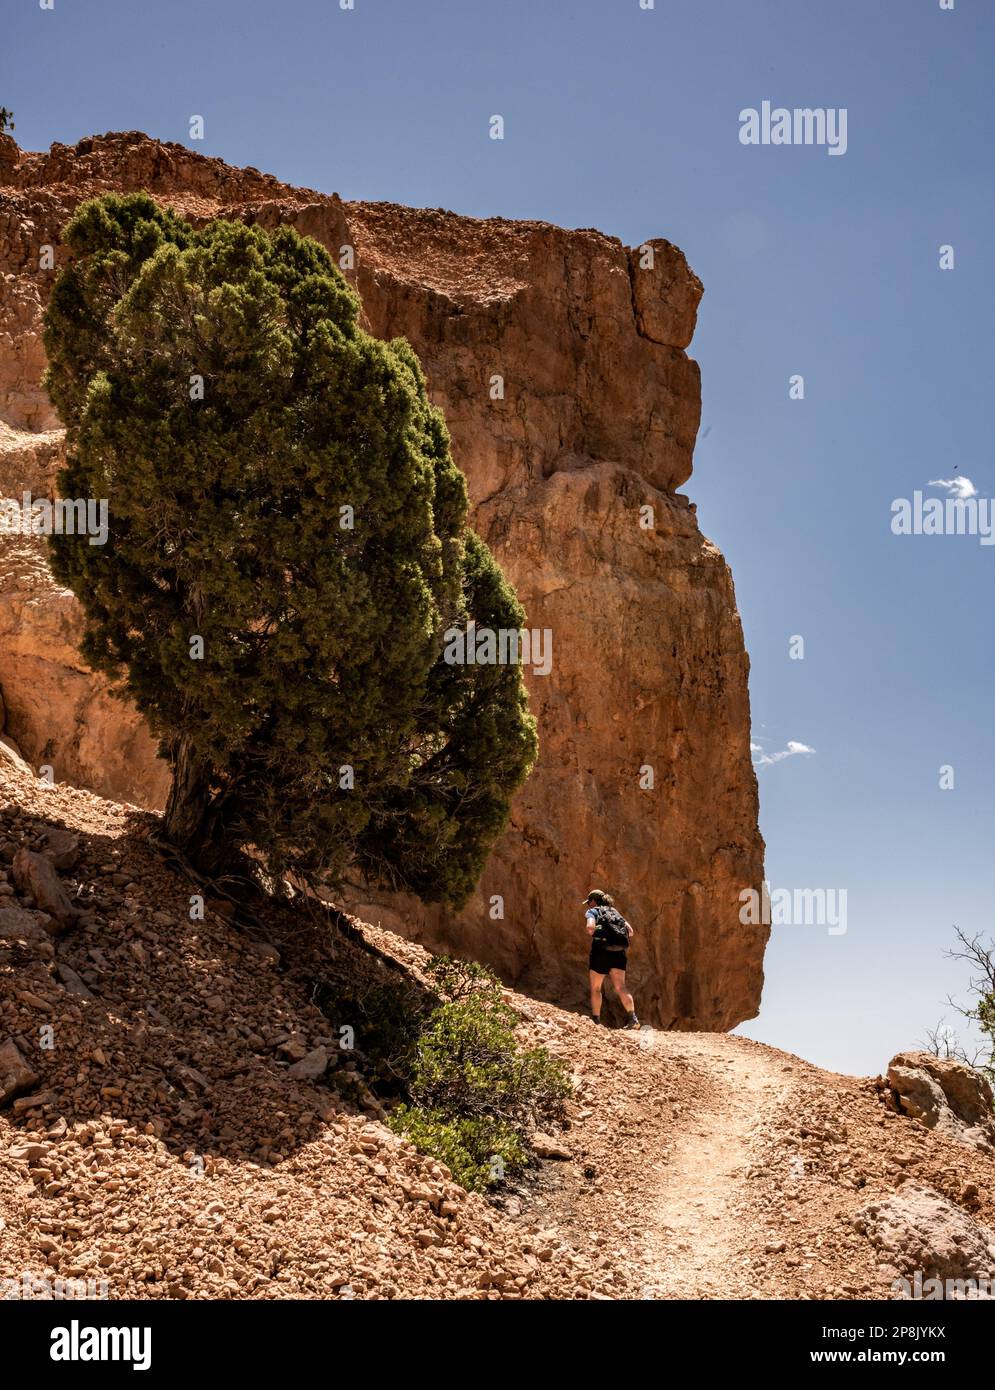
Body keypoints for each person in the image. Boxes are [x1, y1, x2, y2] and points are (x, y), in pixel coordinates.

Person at [582, 889, 640, 1029]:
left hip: (600, 952)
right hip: (619, 953)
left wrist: (599, 934)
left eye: (589, 902)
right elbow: (630, 932)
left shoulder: (593, 911)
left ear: (593, 901)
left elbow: (590, 928)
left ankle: (596, 1022)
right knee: (621, 987)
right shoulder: (615, 912)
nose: (588, 905)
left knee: (596, 988)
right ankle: (633, 1019)